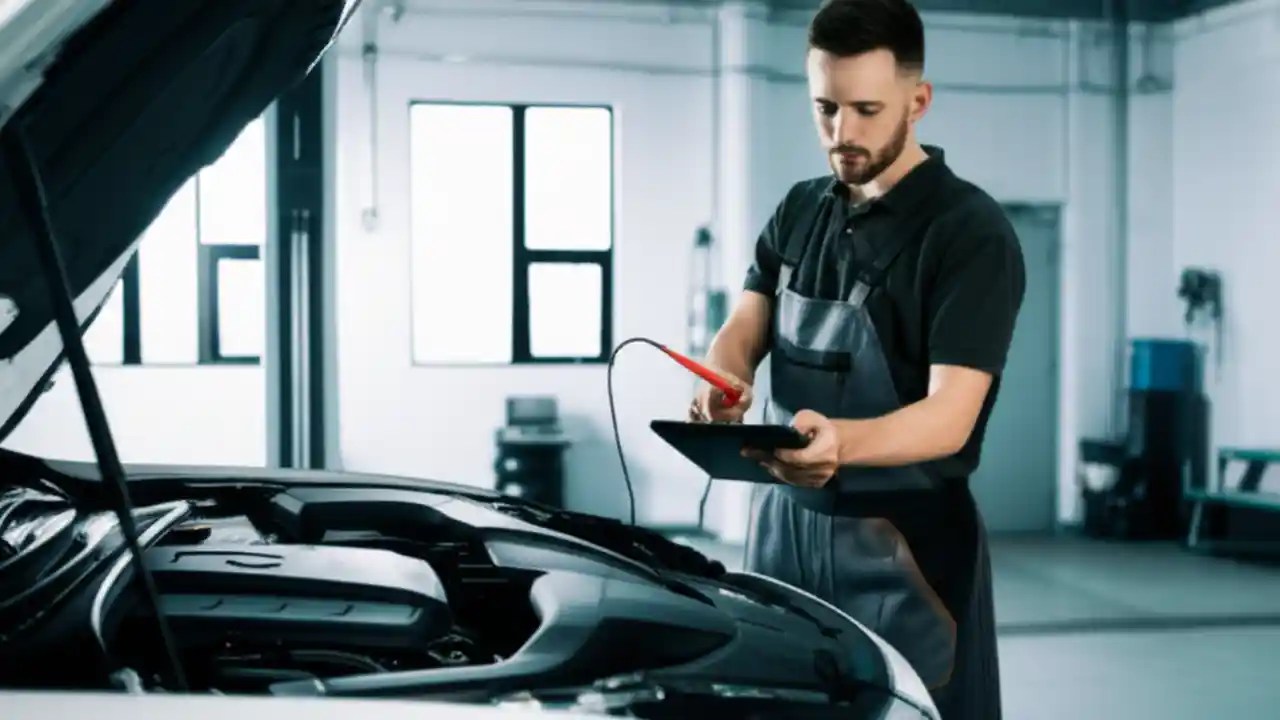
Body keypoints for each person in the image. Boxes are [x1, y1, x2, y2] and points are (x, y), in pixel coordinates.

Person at [688, 0, 1025, 717]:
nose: (843, 134)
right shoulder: (799, 210)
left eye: (867, 110)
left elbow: (950, 417)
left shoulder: (969, 234)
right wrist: (726, 378)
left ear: (919, 99)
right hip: (783, 531)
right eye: (826, 109)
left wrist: (843, 443)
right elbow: (745, 325)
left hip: (906, 554)